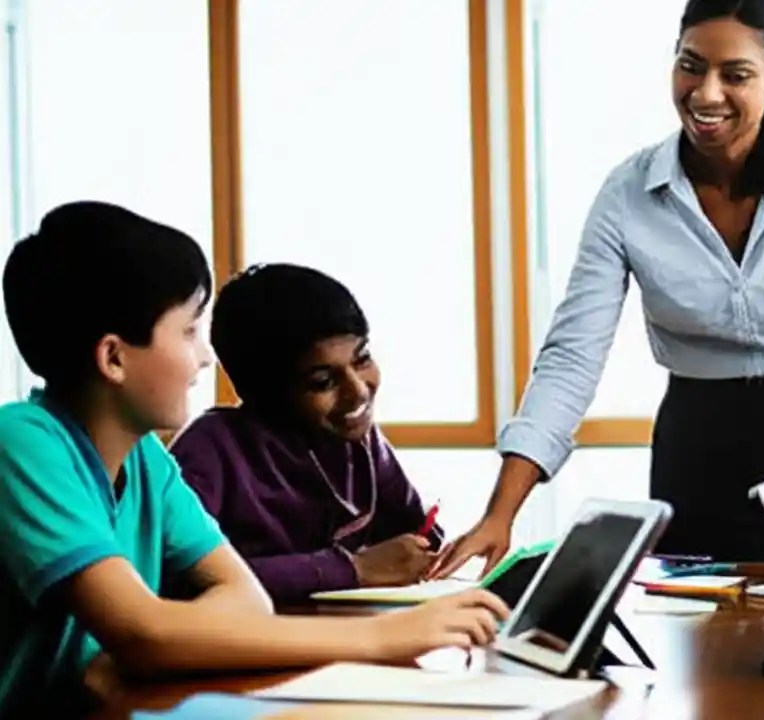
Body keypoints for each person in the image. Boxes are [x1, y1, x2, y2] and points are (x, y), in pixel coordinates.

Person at [433, 0, 764, 575]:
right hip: (699, 453)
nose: (706, 93)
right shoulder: (628, 192)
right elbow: (572, 357)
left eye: (736, 74)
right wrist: (500, 514)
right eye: (691, 65)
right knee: (707, 654)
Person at [0, 202, 507, 716]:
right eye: (189, 331)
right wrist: (381, 636)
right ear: (114, 357)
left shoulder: (147, 460)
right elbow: (141, 630)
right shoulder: (22, 442)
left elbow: (244, 599)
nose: (204, 357)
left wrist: (151, 642)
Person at [170, 264, 440, 604]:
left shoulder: (361, 443)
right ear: (261, 393)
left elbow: (413, 530)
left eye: (362, 358)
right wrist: (352, 568)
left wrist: (425, 547)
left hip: (341, 638)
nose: (357, 391)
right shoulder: (212, 450)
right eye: (323, 382)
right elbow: (180, 578)